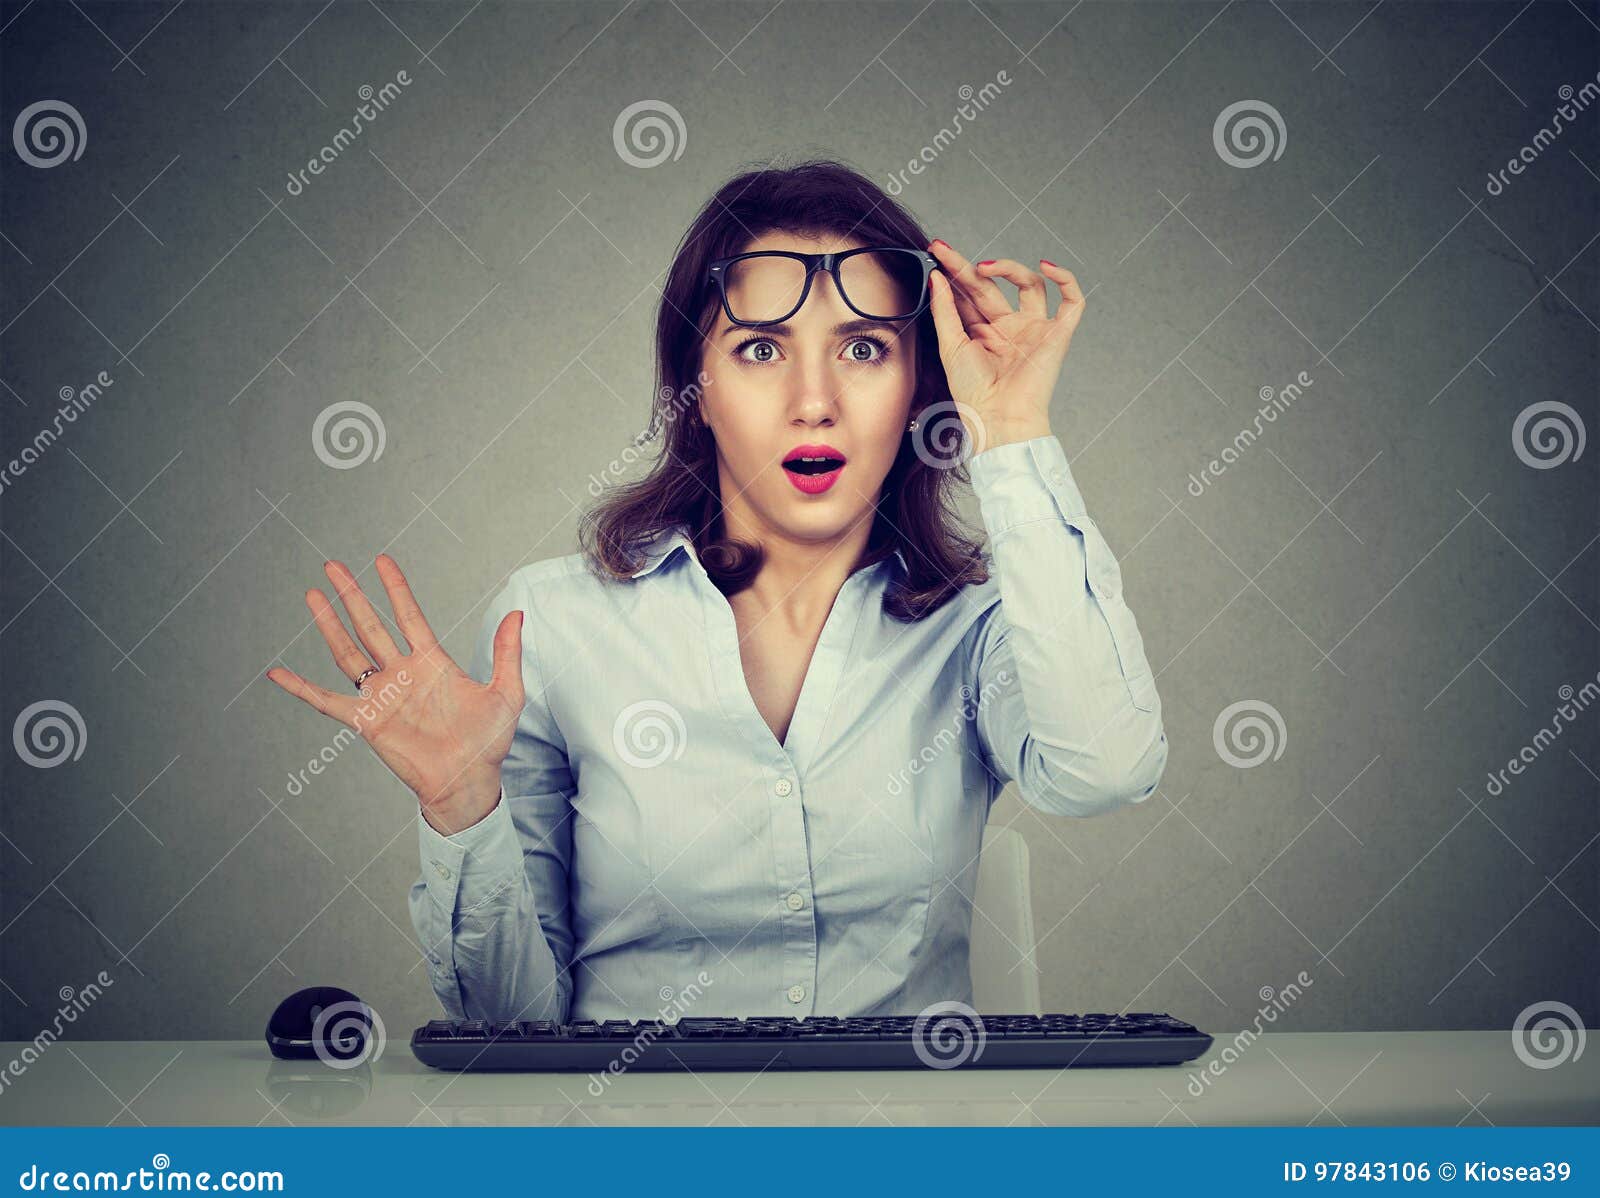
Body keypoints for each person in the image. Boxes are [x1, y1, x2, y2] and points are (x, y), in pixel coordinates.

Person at [265, 157, 1167, 1026]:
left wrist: (1009, 428)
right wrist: (464, 809)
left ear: (918, 385)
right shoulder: (552, 625)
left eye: (862, 348)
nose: (814, 401)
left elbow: (1106, 769)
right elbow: (511, 1025)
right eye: (761, 348)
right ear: (695, 390)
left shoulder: (975, 629)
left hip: (897, 1131)